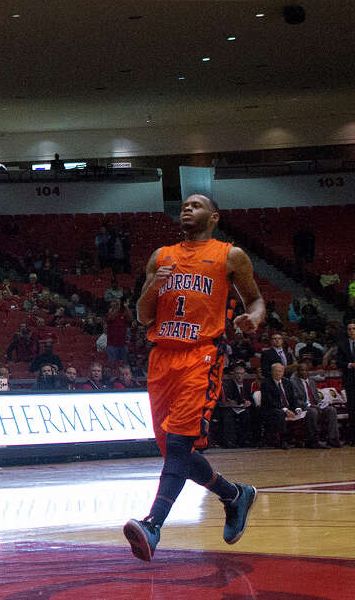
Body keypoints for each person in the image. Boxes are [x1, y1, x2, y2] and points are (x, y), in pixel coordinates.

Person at [123, 194, 264, 562]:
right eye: (185, 204)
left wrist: (254, 318)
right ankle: (234, 495)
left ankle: (153, 524)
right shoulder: (161, 255)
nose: (188, 208)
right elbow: (141, 314)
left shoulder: (230, 255)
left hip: (201, 354)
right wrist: (154, 286)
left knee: (180, 448)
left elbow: (255, 300)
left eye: (197, 204)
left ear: (213, 217)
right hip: (161, 357)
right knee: (175, 452)